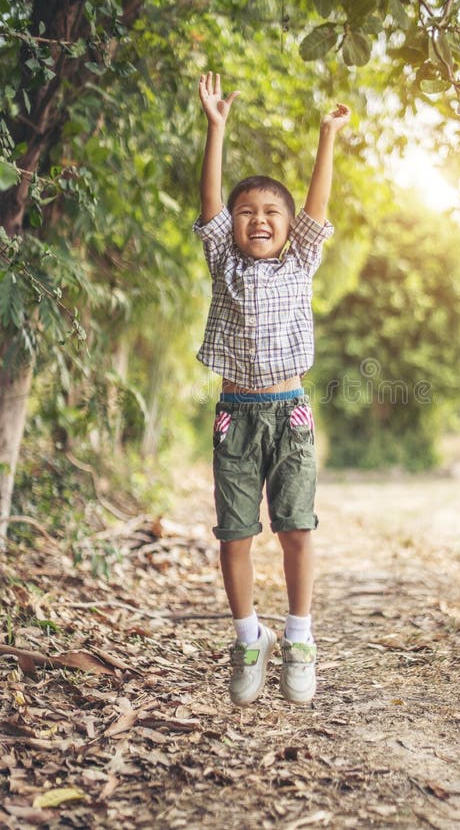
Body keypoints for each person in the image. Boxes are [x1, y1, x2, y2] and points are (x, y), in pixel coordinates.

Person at [193, 71, 350, 706]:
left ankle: (300, 637)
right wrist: (216, 128)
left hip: (289, 413)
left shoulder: (300, 263)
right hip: (236, 413)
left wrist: (326, 138)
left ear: (289, 229)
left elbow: (317, 206)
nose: (259, 219)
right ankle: (247, 637)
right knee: (235, 533)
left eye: (272, 213)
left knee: (296, 529)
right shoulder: (222, 262)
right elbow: (208, 206)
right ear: (232, 225)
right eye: (247, 212)